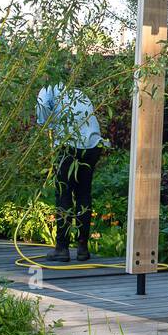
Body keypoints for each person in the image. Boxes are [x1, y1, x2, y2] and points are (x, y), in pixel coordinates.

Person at [36, 80, 110, 262]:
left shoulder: (47, 89)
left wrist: (48, 124)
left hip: (69, 145)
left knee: (64, 194)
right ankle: (83, 248)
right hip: (93, 146)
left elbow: (42, 112)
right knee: (84, 194)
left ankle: (62, 249)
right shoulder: (78, 92)